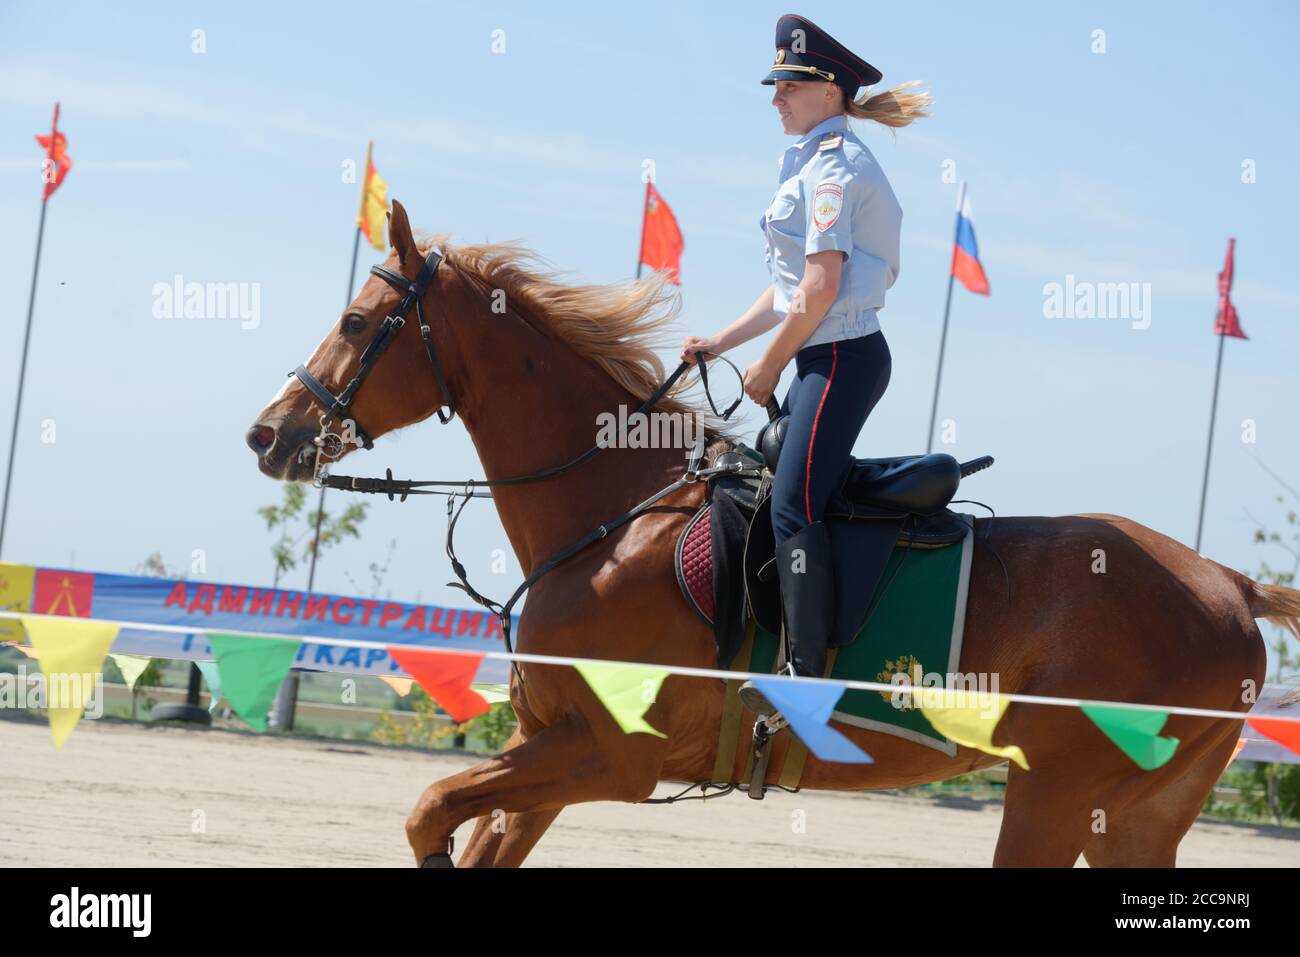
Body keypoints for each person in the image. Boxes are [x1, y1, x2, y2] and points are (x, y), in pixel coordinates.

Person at [679, 14, 930, 718]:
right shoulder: (811, 163)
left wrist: (765, 366)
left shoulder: (836, 170)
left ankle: (804, 675)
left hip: (841, 356)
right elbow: (792, 288)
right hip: (820, 352)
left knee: (793, 502)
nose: (775, 98)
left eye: (788, 85)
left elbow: (821, 290)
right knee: (769, 488)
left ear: (827, 91)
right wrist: (722, 343)